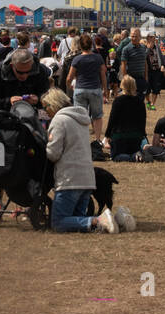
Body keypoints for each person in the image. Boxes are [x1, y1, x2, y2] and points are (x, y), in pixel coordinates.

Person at [42, 88, 118, 234]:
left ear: (52, 105)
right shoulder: (81, 119)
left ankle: (98, 220)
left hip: (69, 180)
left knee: (58, 222)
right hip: (87, 179)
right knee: (76, 220)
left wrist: (45, 148)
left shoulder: (59, 120)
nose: (45, 112)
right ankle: (112, 221)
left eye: (45, 107)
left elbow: (53, 153)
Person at [66, 33, 107, 124]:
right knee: (97, 116)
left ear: (80, 45)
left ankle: (82, 136)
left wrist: (69, 87)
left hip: (80, 88)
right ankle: (97, 137)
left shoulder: (77, 59)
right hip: (95, 88)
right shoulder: (98, 58)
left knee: (80, 117)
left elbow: (69, 77)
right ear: (91, 44)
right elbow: (103, 74)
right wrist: (105, 89)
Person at [103, 75, 147, 162]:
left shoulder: (118, 101)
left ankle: (131, 158)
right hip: (136, 136)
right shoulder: (139, 101)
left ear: (122, 86)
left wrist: (107, 135)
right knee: (133, 151)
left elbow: (112, 119)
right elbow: (143, 120)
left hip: (120, 136)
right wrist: (142, 134)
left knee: (116, 156)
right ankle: (136, 155)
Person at [119, 27, 149, 107]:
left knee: (140, 101)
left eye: (136, 36)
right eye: (132, 36)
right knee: (130, 102)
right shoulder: (126, 49)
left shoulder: (143, 48)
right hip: (131, 80)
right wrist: (125, 79)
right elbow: (123, 65)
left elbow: (145, 63)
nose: (134, 38)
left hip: (141, 79)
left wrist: (146, 77)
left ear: (140, 37)